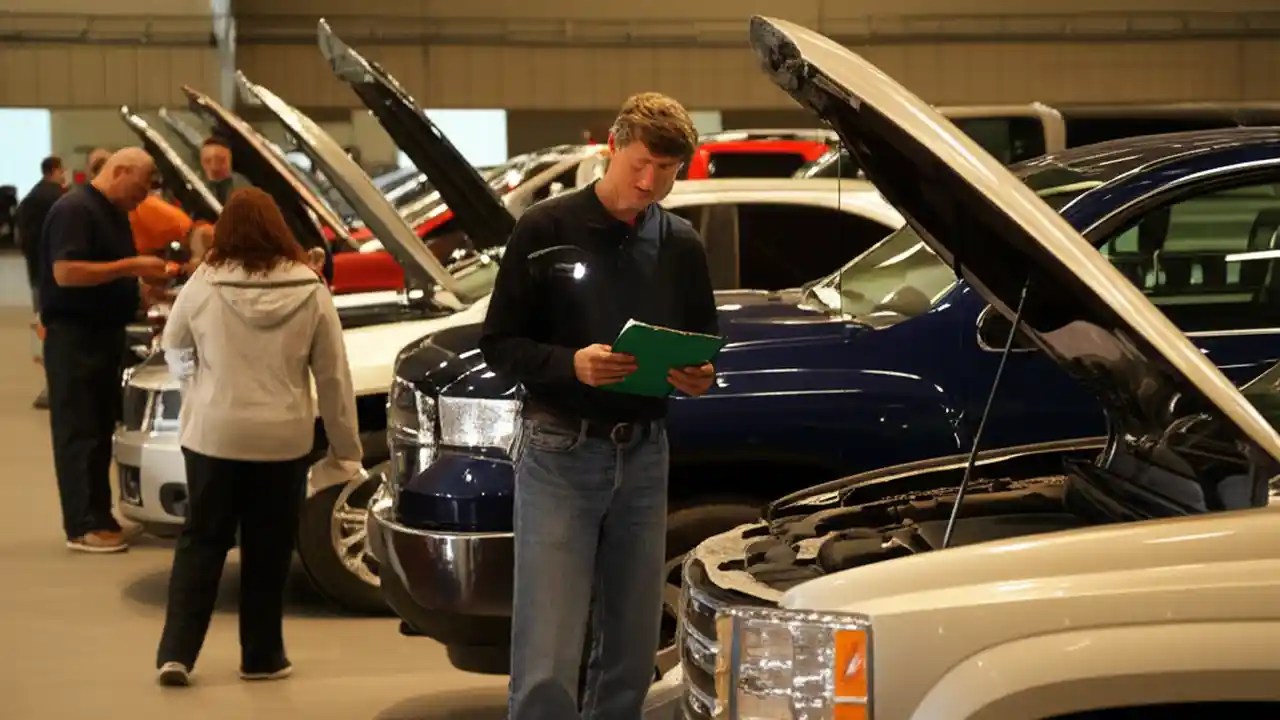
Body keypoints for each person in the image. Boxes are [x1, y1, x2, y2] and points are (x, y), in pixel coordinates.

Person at [479, 92, 718, 719]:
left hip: (644, 455)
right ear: (612, 147)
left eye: (666, 170)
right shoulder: (545, 228)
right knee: (548, 650)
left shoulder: (681, 244)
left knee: (633, 648)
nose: (649, 181)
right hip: (559, 449)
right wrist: (570, 364)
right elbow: (498, 344)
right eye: (640, 163)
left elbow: (700, 343)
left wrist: (697, 376)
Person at [154, 187, 363, 688]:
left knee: (202, 541)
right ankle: (262, 657)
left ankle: (177, 654)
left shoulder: (204, 282)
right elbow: (334, 377)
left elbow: (173, 342)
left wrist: (194, 383)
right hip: (282, 440)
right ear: (279, 229)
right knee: (267, 548)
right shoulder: (311, 289)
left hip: (214, 434)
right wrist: (346, 452)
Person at [38, 148, 173, 553]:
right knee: (79, 431)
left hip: (103, 334)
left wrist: (143, 294)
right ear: (121, 170)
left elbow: (110, 271)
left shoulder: (112, 212)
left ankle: (100, 516)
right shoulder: (75, 210)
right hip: (75, 336)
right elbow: (66, 273)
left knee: (99, 430)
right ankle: (82, 525)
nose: (144, 195)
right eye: (142, 185)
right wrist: (129, 267)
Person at [16, 156, 67, 410]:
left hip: (37, 270)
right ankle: (55, 384)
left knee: (42, 324)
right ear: (56, 171)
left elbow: (23, 237)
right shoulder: (59, 198)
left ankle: (51, 382)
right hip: (53, 274)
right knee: (49, 328)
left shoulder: (32, 196)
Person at [199, 136, 252, 206]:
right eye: (207, 161)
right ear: (201, 163)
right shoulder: (197, 185)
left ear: (230, 160)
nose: (214, 167)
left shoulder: (242, 187)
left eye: (221, 161)